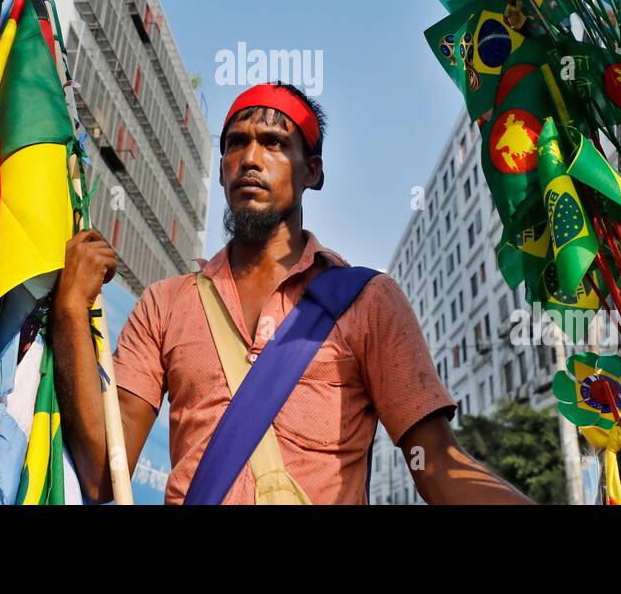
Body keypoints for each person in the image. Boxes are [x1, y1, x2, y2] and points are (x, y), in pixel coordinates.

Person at [51, 81, 530, 505]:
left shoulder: (369, 301)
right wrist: (71, 308)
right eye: (236, 144)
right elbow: (100, 477)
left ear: (312, 172)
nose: (251, 159)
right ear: (221, 171)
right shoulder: (165, 304)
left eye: (275, 143)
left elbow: (438, 468)